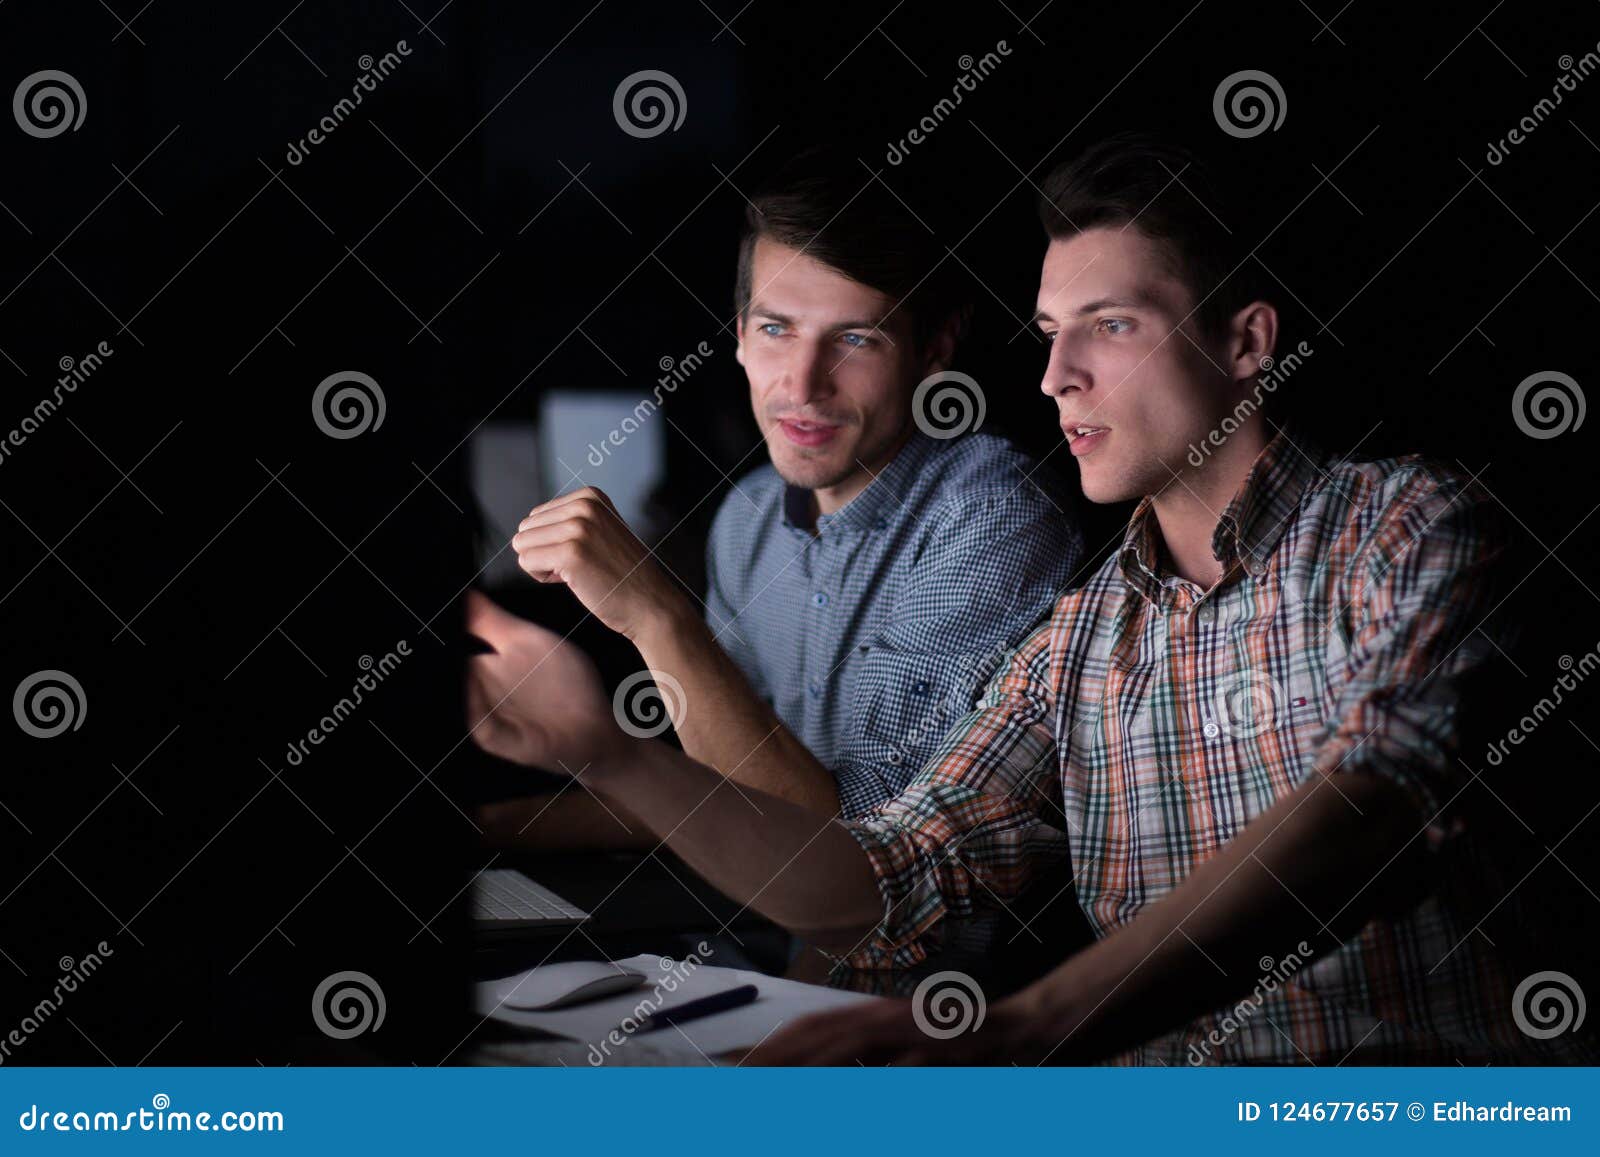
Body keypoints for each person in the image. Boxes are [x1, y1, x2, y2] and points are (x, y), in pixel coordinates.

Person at [466, 133, 1577, 1064]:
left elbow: (1371, 805)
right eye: (1051, 336)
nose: (1055, 378)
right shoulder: (1081, 637)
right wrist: (610, 754)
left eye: (1112, 325)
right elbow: (881, 878)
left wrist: (1025, 1024)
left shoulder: (1403, 524)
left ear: (1246, 342)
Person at [477, 148, 1082, 850]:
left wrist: (656, 613)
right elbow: (727, 791)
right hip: (768, 952)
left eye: (855, 338)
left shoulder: (992, 515)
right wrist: (495, 827)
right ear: (737, 336)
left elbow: (855, 855)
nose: (802, 384)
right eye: (775, 328)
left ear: (934, 346)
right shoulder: (749, 518)